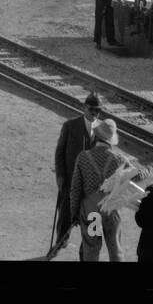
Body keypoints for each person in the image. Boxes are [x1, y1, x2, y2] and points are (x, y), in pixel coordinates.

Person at [68, 118, 132, 262]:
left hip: (91, 211)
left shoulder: (83, 157)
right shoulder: (120, 159)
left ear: (96, 136)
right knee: (115, 248)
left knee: (91, 248)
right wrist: (152, 167)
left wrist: (74, 214)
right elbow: (137, 175)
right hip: (111, 209)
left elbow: (75, 190)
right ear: (111, 140)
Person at [48, 93, 102, 258]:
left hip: (91, 187)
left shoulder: (102, 131)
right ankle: (60, 242)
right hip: (70, 181)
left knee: (91, 222)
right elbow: (60, 153)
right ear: (84, 107)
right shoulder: (70, 126)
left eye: (97, 111)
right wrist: (60, 176)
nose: (94, 114)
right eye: (91, 109)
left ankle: (86, 251)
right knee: (65, 215)